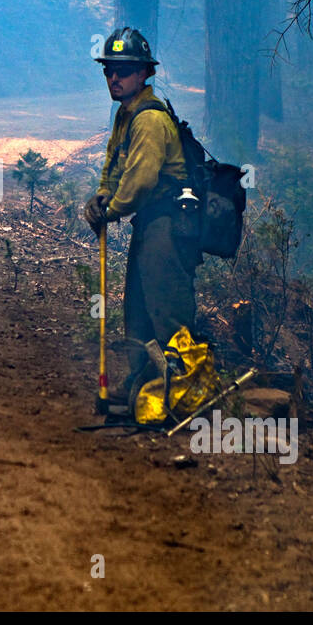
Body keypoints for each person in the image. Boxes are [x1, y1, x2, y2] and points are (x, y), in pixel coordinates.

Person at [83, 27, 200, 404]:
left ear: (144, 73)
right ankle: (142, 384)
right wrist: (103, 193)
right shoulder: (126, 114)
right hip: (149, 224)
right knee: (138, 307)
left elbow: (142, 179)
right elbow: (115, 167)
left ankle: (186, 390)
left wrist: (111, 210)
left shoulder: (149, 119)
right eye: (109, 70)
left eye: (124, 70)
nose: (114, 78)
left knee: (167, 310)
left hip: (168, 224)